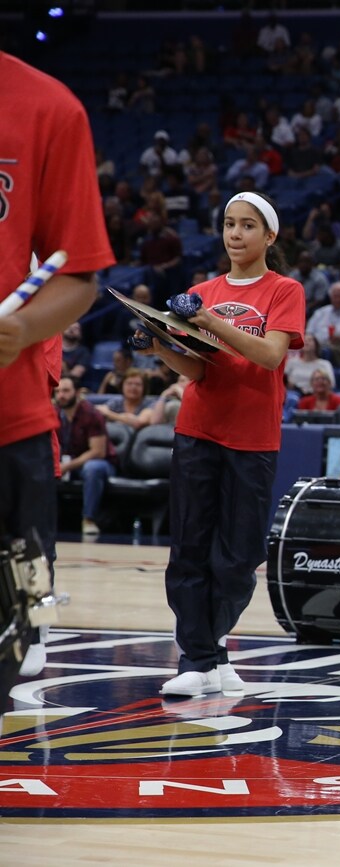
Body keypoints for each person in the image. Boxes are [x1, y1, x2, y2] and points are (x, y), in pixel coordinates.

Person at [133, 191, 305, 698]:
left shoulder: (284, 290)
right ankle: (199, 657)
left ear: (269, 236)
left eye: (248, 225)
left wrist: (209, 321)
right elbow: (197, 369)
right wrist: (161, 345)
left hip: (253, 437)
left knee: (239, 554)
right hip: (198, 429)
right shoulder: (200, 289)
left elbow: (270, 357)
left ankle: (212, 647)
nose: (236, 233)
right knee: (189, 548)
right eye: (229, 224)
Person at [1, 52, 116, 687]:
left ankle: (37, 621)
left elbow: (79, 275)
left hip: (9, 422)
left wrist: (19, 328)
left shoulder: (49, 107)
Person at [54, 376, 116, 536]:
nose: (61, 395)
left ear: (78, 392)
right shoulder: (54, 414)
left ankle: (89, 520)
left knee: (92, 468)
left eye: (66, 391)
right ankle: (39, 520)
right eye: (58, 391)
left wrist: (67, 466)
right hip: (67, 461)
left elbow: (97, 452)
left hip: (100, 463)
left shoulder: (91, 414)